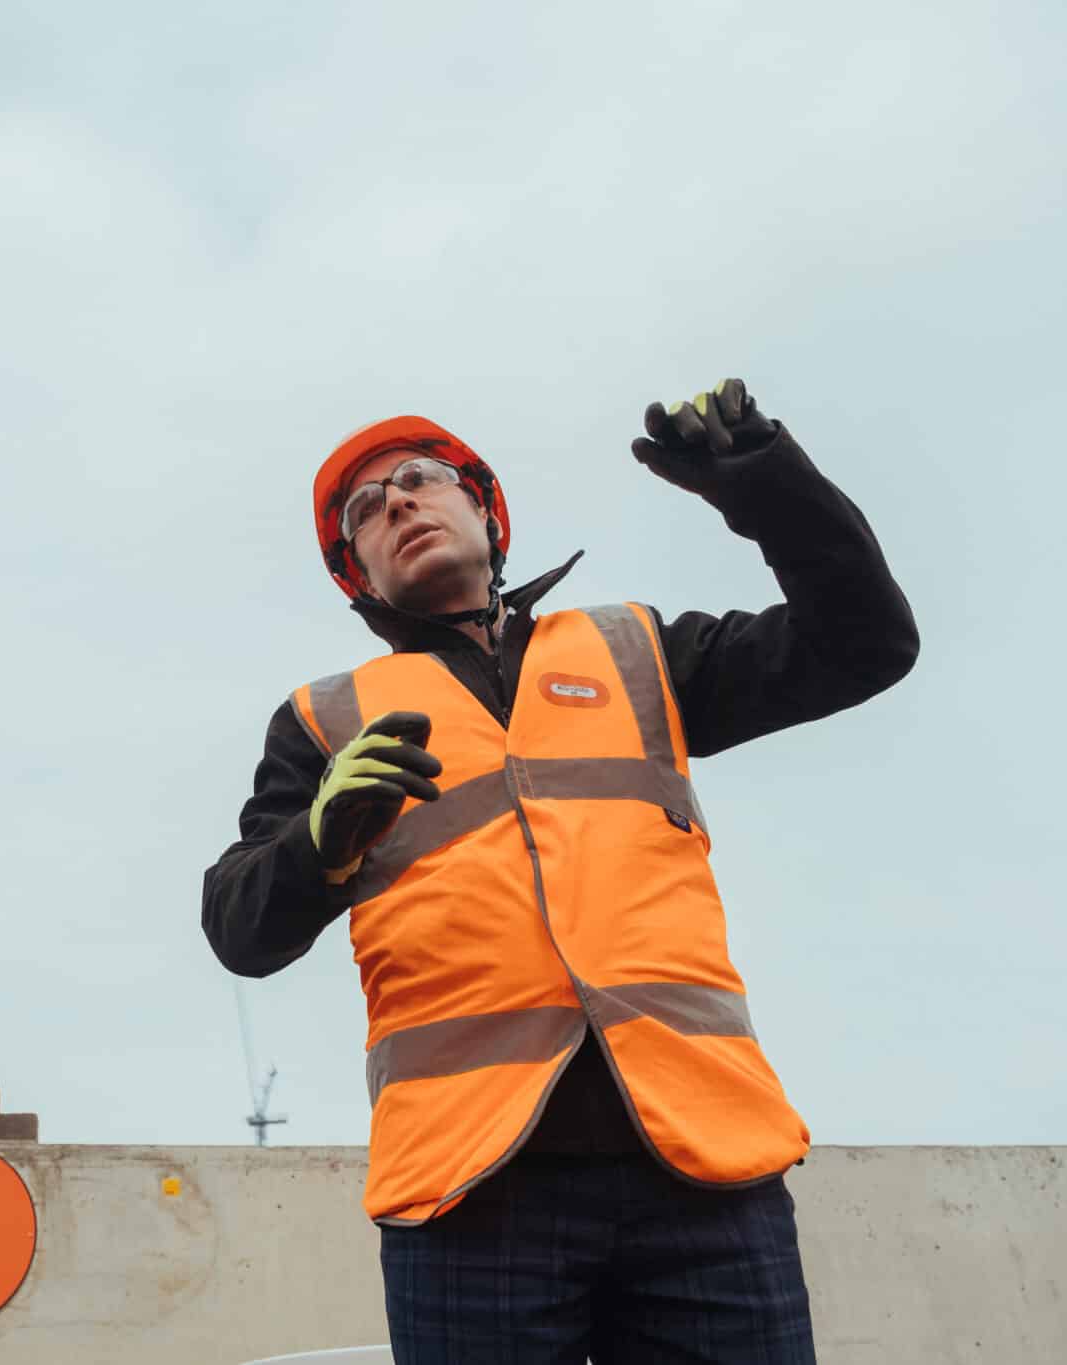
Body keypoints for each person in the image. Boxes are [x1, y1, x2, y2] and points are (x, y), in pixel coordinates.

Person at [202, 382, 918, 1363]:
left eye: (418, 482)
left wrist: (764, 485)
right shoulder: (326, 720)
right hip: (471, 1194)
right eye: (363, 511)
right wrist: (313, 840)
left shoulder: (635, 654)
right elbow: (239, 932)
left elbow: (863, 645)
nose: (396, 504)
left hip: (701, 1174)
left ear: (484, 512)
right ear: (355, 579)